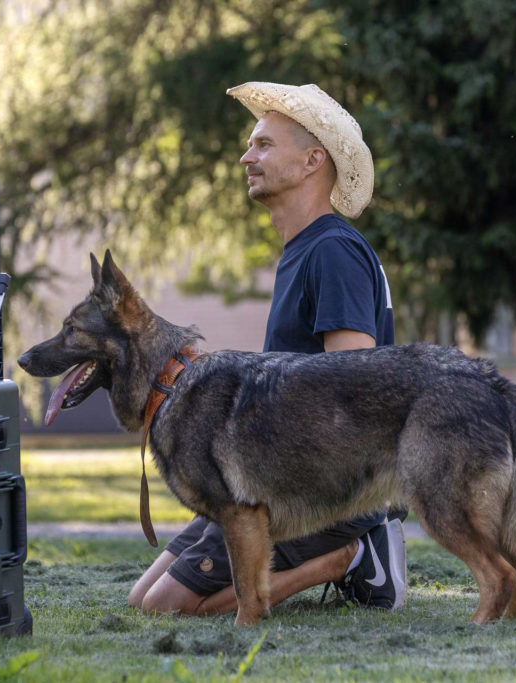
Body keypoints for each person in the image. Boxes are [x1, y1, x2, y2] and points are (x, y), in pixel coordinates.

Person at [128, 82, 406, 618]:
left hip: (321, 496)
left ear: (311, 161)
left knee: (165, 607)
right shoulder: (303, 250)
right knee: (141, 598)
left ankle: (347, 556)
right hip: (266, 481)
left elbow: (356, 390)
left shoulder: (333, 251)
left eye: (262, 146)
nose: (246, 157)